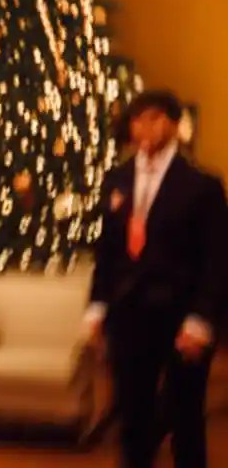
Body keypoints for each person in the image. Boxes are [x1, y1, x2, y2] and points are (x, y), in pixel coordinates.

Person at [86, 90, 227, 468]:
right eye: (137, 119)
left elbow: (217, 261)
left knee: (185, 418)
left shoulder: (202, 185)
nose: (144, 127)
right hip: (128, 313)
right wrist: (97, 306)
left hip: (181, 317)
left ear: (173, 124)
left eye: (154, 118)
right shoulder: (117, 179)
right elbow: (108, 250)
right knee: (132, 415)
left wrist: (201, 321)